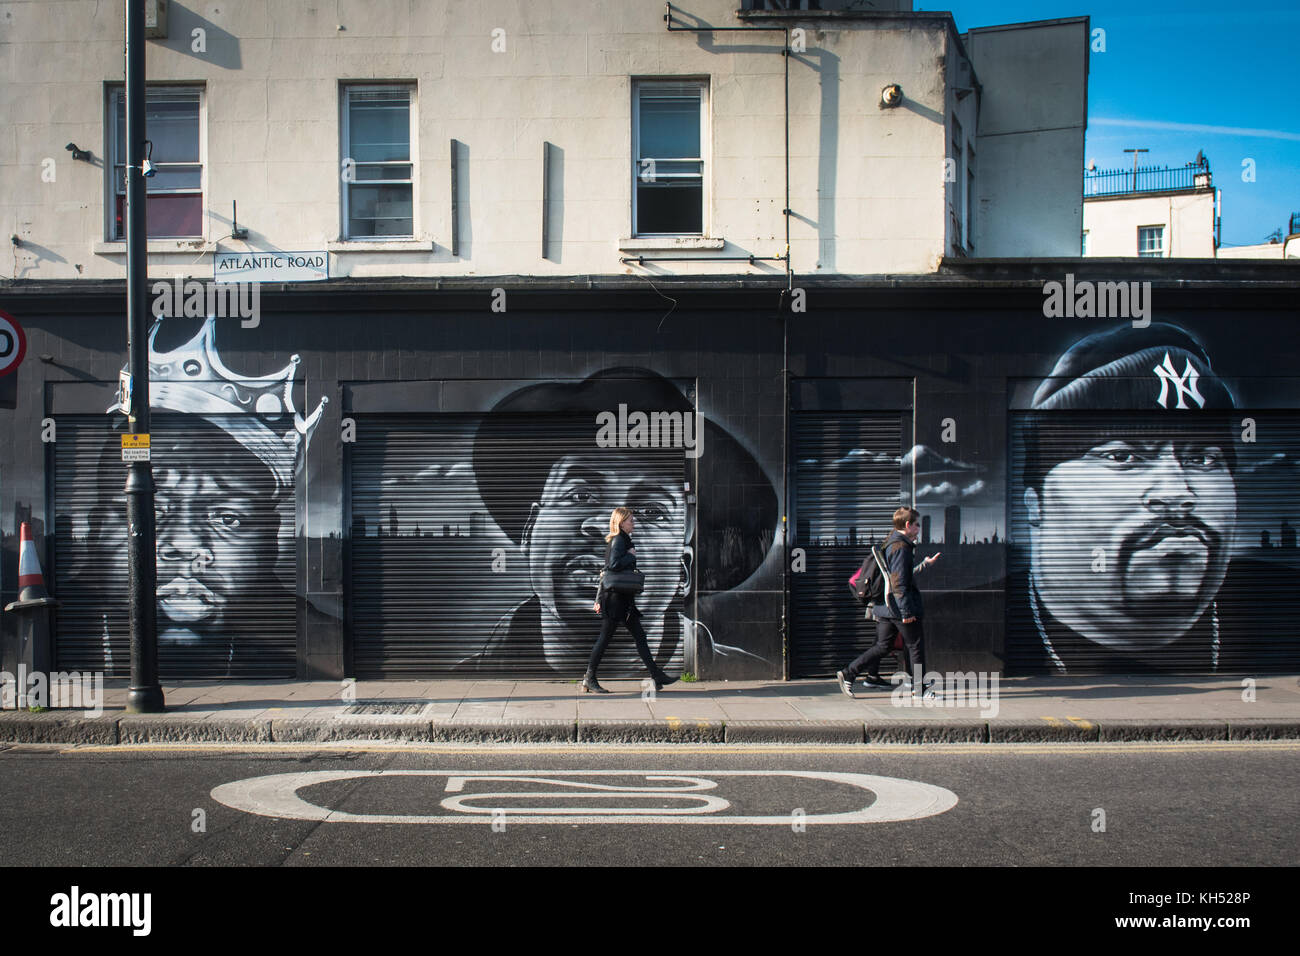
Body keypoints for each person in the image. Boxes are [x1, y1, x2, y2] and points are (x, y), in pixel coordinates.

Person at [457, 368, 777, 677]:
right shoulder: (470, 675)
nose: (605, 524)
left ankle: (632, 675)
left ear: (683, 570)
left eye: (651, 511)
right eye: (580, 495)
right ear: (529, 534)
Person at [1012, 322, 1285, 673]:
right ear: (1037, 503)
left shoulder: (1281, 603)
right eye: (1123, 457)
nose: (1177, 493)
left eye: (1202, 459)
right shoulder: (982, 623)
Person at [837, 507, 937, 699]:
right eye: (917, 525)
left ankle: (849, 673)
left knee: (883, 646)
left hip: (886, 606)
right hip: (898, 607)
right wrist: (906, 613)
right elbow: (899, 582)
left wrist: (924, 564)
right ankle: (921, 689)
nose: (918, 529)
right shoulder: (901, 547)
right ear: (908, 525)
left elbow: (896, 577)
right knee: (915, 645)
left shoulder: (891, 542)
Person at [582, 507, 678, 694]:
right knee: (604, 638)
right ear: (621, 523)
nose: (633, 523)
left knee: (640, 637)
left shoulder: (623, 540)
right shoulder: (619, 540)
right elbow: (613, 565)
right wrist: (630, 555)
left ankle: (656, 675)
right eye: (630, 520)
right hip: (615, 600)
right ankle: (589, 677)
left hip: (623, 600)